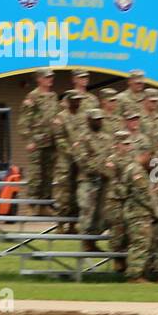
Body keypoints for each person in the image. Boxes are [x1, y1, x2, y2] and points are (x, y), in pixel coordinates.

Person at [20, 67, 59, 213]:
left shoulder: (53, 96)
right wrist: (29, 139)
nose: (50, 79)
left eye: (51, 77)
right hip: (37, 141)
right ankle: (32, 204)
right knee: (35, 174)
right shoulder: (33, 96)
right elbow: (24, 120)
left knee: (49, 174)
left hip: (51, 140)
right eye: (47, 77)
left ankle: (44, 204)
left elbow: (55, 116)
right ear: (39, 79)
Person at [73, 109, 113, 247]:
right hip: (87, 180)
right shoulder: (82, 138)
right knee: (87, 210)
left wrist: (107, 171)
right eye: (95, 119)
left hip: (105, 181)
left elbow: (111, 158)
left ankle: (92, 240)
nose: (98, 122)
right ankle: (86, 241)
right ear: (88, 120)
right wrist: (100, 169)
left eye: (100, 119)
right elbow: (82, 160)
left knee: (103, 213)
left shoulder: (107, 138)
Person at [123, 146, 158, 283]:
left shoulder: (132, 168)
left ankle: (136, 274)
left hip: (137, 212)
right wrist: (155, 211)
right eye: (150, 157)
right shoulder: (137, 170)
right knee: (140, 244)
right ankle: (134, 276)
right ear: (145, 154)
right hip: (138, 213)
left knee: (140, 244)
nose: (151, 161)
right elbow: (143, 194)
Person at [50, 90, 86, 226]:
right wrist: (72, 150)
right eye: (75, 100)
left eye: (79, 100)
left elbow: (87, 135)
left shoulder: (84, 117)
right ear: (69, 101)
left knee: (77, 191)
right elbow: (59, 138)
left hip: (80, 159)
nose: (78, 102)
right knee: (63, 191)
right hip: (65, 159)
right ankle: (60, 224)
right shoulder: (61, 117)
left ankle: (72, 225)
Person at [105, 132, 135, 272]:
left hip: (129, 198)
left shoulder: (132, 160)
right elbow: (114, 180)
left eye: (129, 144)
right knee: (118, 229)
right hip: (115, 199)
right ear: (117, 145)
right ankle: (117, 260)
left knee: (130, 229)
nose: (128, 147)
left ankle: (127, 260)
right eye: (125, 144)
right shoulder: (112, 161)